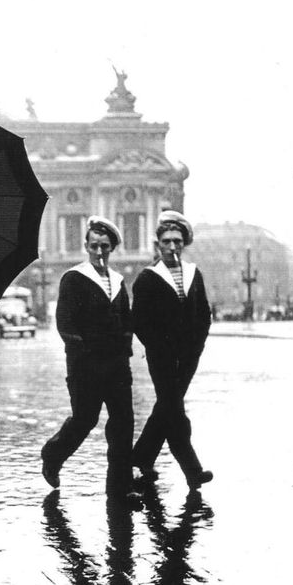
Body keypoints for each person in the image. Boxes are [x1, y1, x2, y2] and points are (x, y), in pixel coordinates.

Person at [40, 216, 139, 502]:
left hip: (117, 367)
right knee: (85, 419)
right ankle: (53, 454)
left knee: (123, 424)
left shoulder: (118, 281)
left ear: (112, 249)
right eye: (94, 245)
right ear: (86, 245)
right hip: (86, 368)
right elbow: (65, 324)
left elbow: (126, 320)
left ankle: (120, 488)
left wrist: (124, 347)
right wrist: (82, 354)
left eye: (105, 247)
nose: (99, 252)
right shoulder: (74, 278)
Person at [131, 210, 212, 490]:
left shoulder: (193, 274)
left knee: (167, 407)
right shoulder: (147, 278)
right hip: (161, 357)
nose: (172, 246)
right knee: (175, 410)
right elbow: (139, 321)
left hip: (189, 357)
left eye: (177, 240)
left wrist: (197, 347)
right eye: (166, 241)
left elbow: (204, 314)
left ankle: (142, 455)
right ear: (158, 245)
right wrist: (159, 346)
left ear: (184, 243)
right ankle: (193, 470)